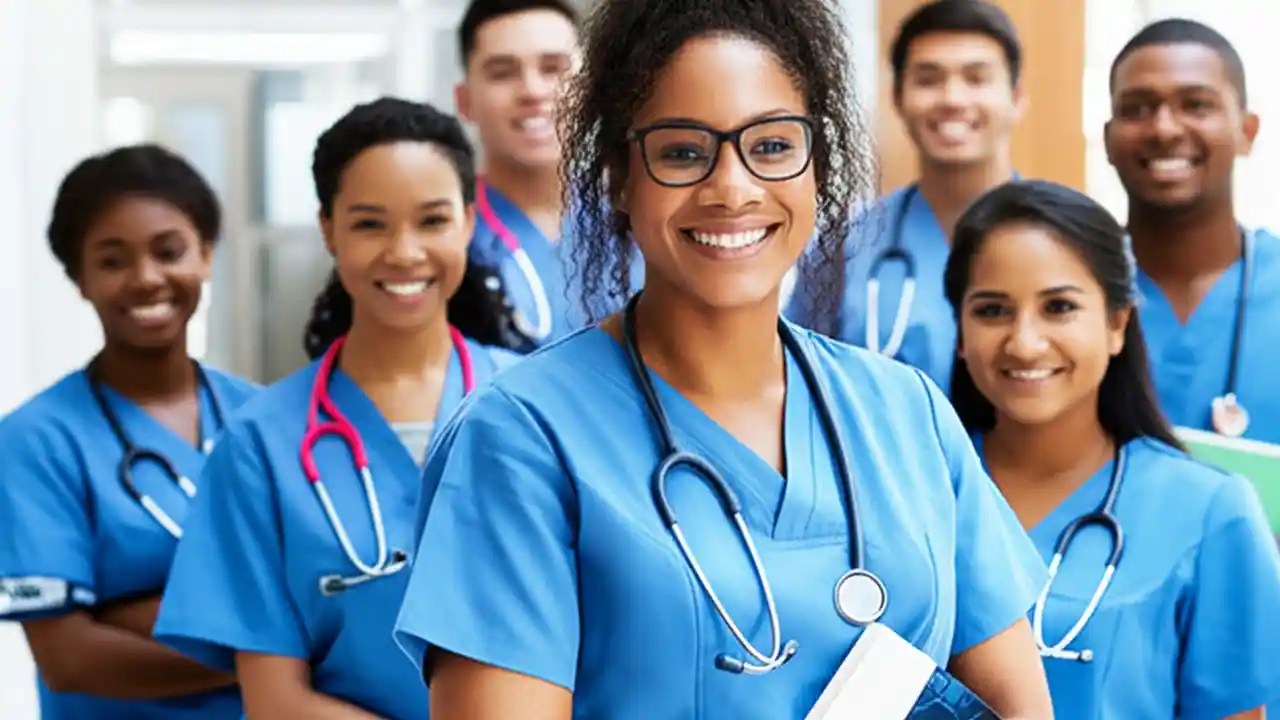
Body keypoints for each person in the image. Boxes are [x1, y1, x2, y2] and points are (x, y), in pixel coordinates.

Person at [393, 1, 1055, 718]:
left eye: (771, 146)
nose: (732, 187)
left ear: (817, 167)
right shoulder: (522, 438)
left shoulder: (909, 414)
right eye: (683, 151)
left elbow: (1020, 704)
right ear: (619, 176)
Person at [152, 98, 518, 719]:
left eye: (432, 220)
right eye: (370, 224)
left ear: (468, 220)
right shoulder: (261, 444)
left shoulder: (533, 410)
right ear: (328, 229)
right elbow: (274, 700)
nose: (404, 253)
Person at [944, 179, 1280, 719]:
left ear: (1118, 323)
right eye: (991, 310)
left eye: (1058, 307)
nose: (1025, 341)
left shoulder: (1212, 513)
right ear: (960, 331)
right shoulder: (917, 494)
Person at [0, 144, 258, 719]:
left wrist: (126, 615)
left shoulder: (267, 419)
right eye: (113, 260)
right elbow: (70, 658)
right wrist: (265, 649)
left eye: (169, 251)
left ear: (207, 255)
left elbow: (324, 602)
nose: (147, 279)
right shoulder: (37, 440)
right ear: (79, 278)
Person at [786, 0, 1024, 392]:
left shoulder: (1066, 240)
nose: (953, 98)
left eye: (976, 78)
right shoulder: (843, 247)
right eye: (928, 79)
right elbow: (799, 380)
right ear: (897, 98)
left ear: (1016, 97)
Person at [1106, 19, 1279, 443]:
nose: (1164, 128)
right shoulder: (1071, 290)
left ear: (1247, 131)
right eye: (1137, 108)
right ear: (1109, 140)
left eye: (1197, 105)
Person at [446, 0, 592, 351]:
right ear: (464, 101)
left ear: (591, 87)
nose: (533, 91)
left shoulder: (639, 225)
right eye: (502, 72)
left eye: (554, 68)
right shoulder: (444, 238)